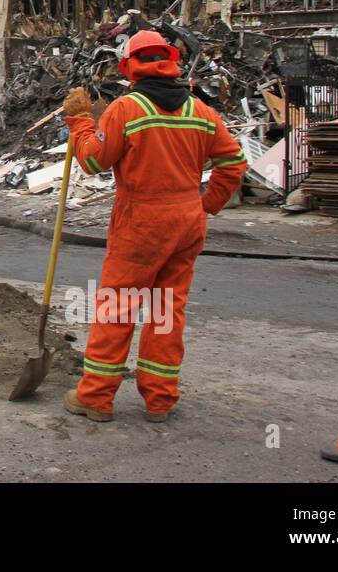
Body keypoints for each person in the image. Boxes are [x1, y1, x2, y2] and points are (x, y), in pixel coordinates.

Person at [60, 29, 248, 423]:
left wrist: (79, 123)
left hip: (141, 223)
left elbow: (94, 162)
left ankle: (95, 396)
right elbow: (234, 163)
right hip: (186, 222)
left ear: (129, 67)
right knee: (166, 309)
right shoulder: (201, 112)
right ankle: (160, 398)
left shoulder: (127, 109)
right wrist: (205, 206)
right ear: (172, 66)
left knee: (117, 306)